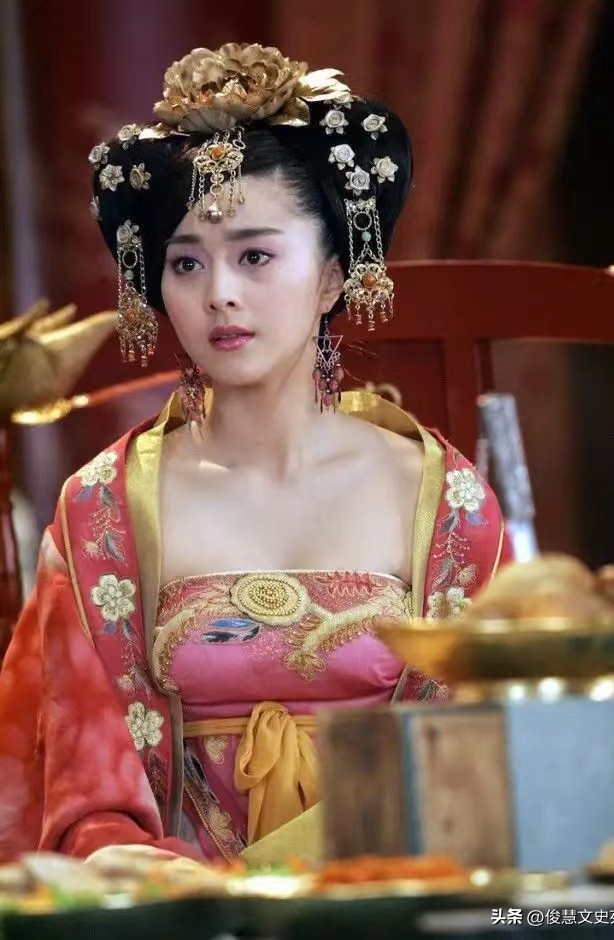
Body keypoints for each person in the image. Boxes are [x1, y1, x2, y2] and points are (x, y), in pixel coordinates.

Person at [0, 43, 507, 864]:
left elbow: (493, 753)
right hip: (181, 902)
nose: (220, 294)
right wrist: (126, 858)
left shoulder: (441, 497)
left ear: (332, 278)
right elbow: (84, 787)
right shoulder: (104, 509)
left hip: (393, 888)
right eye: (186, 263)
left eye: (255, 255)